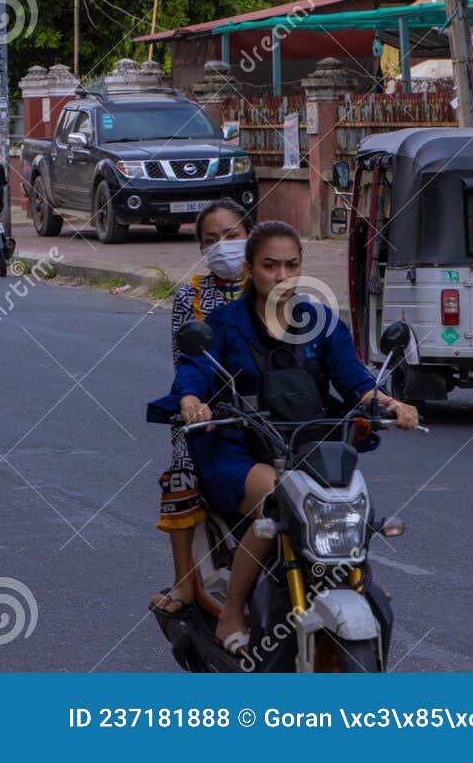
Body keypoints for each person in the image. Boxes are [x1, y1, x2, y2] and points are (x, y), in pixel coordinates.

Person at [164, 220, 420, 654]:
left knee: (348, 496)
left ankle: (355, 581)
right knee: (278, 499)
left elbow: (356, 380)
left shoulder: (321, 323)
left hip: (308, 446)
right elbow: (195, 370)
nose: (281, 276)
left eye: (291, 265)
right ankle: (232, 612)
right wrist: (192, 400)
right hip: (240, 450)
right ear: (249, 269)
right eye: (269, 266)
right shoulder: (225, 324)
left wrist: (391, 404)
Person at [149, 200, 251, 620]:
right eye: (211, 240)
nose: (222, 246)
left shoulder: (272, 286)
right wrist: (194, 402)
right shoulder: (191, 294)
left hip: (270, 410)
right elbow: (185, 363)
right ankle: (185, 582)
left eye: (231, 236)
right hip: (209, 411)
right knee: (182, 473)